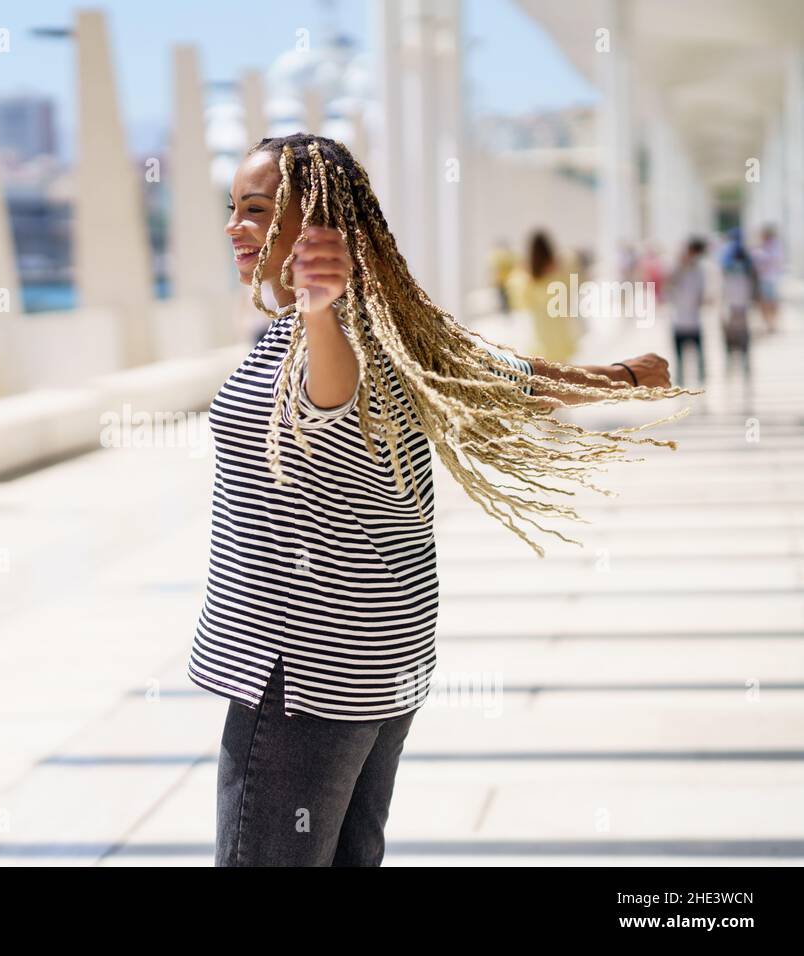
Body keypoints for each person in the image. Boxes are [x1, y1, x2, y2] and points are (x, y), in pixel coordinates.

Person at [192, 133, 684, 867]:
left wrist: (321, 312)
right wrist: (620, 377)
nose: (235, 225)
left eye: (257, 209)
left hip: (299, 679)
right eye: (233, 208)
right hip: (380, 666)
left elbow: (330, 398)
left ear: (318, 223)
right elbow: (507, 382)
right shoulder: (395, 330)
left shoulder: (329, 335)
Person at [516, 230, 581, 363]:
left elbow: (522, 303)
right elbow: (574, 268)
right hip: (562, 336)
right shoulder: (561, 274)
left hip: (540, 339)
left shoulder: (526, 280)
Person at [668, 238, 707, 387]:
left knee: (698, 355)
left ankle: (701, 381)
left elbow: (702, 295)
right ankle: (680, 381)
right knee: (679, 357)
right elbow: (669, 286)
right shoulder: (676, 270)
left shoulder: (699, 270)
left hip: (693, 320)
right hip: (679, 320)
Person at [720, 229, 757, 385]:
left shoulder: (727, 259)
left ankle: (738, 362)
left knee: (734, 335)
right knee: (741, 334)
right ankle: (741, 362)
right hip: (739, 303)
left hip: (735, 304)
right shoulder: (745, 262)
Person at [752, 225, 784, 334]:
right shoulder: (763, 246)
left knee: (771, 302)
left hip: (770, 278)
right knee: (765, 302)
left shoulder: (774, 245)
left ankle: (772, 323)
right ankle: (768, 323)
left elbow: (773, 260)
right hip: (766, 278)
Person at [488, 239, 515, 313]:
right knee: (504, 299)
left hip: (504, 282)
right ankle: (505, 311)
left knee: (505, 299)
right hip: (503, 282)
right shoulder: (507, 256)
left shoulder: (498, 256)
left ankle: (506, 311)